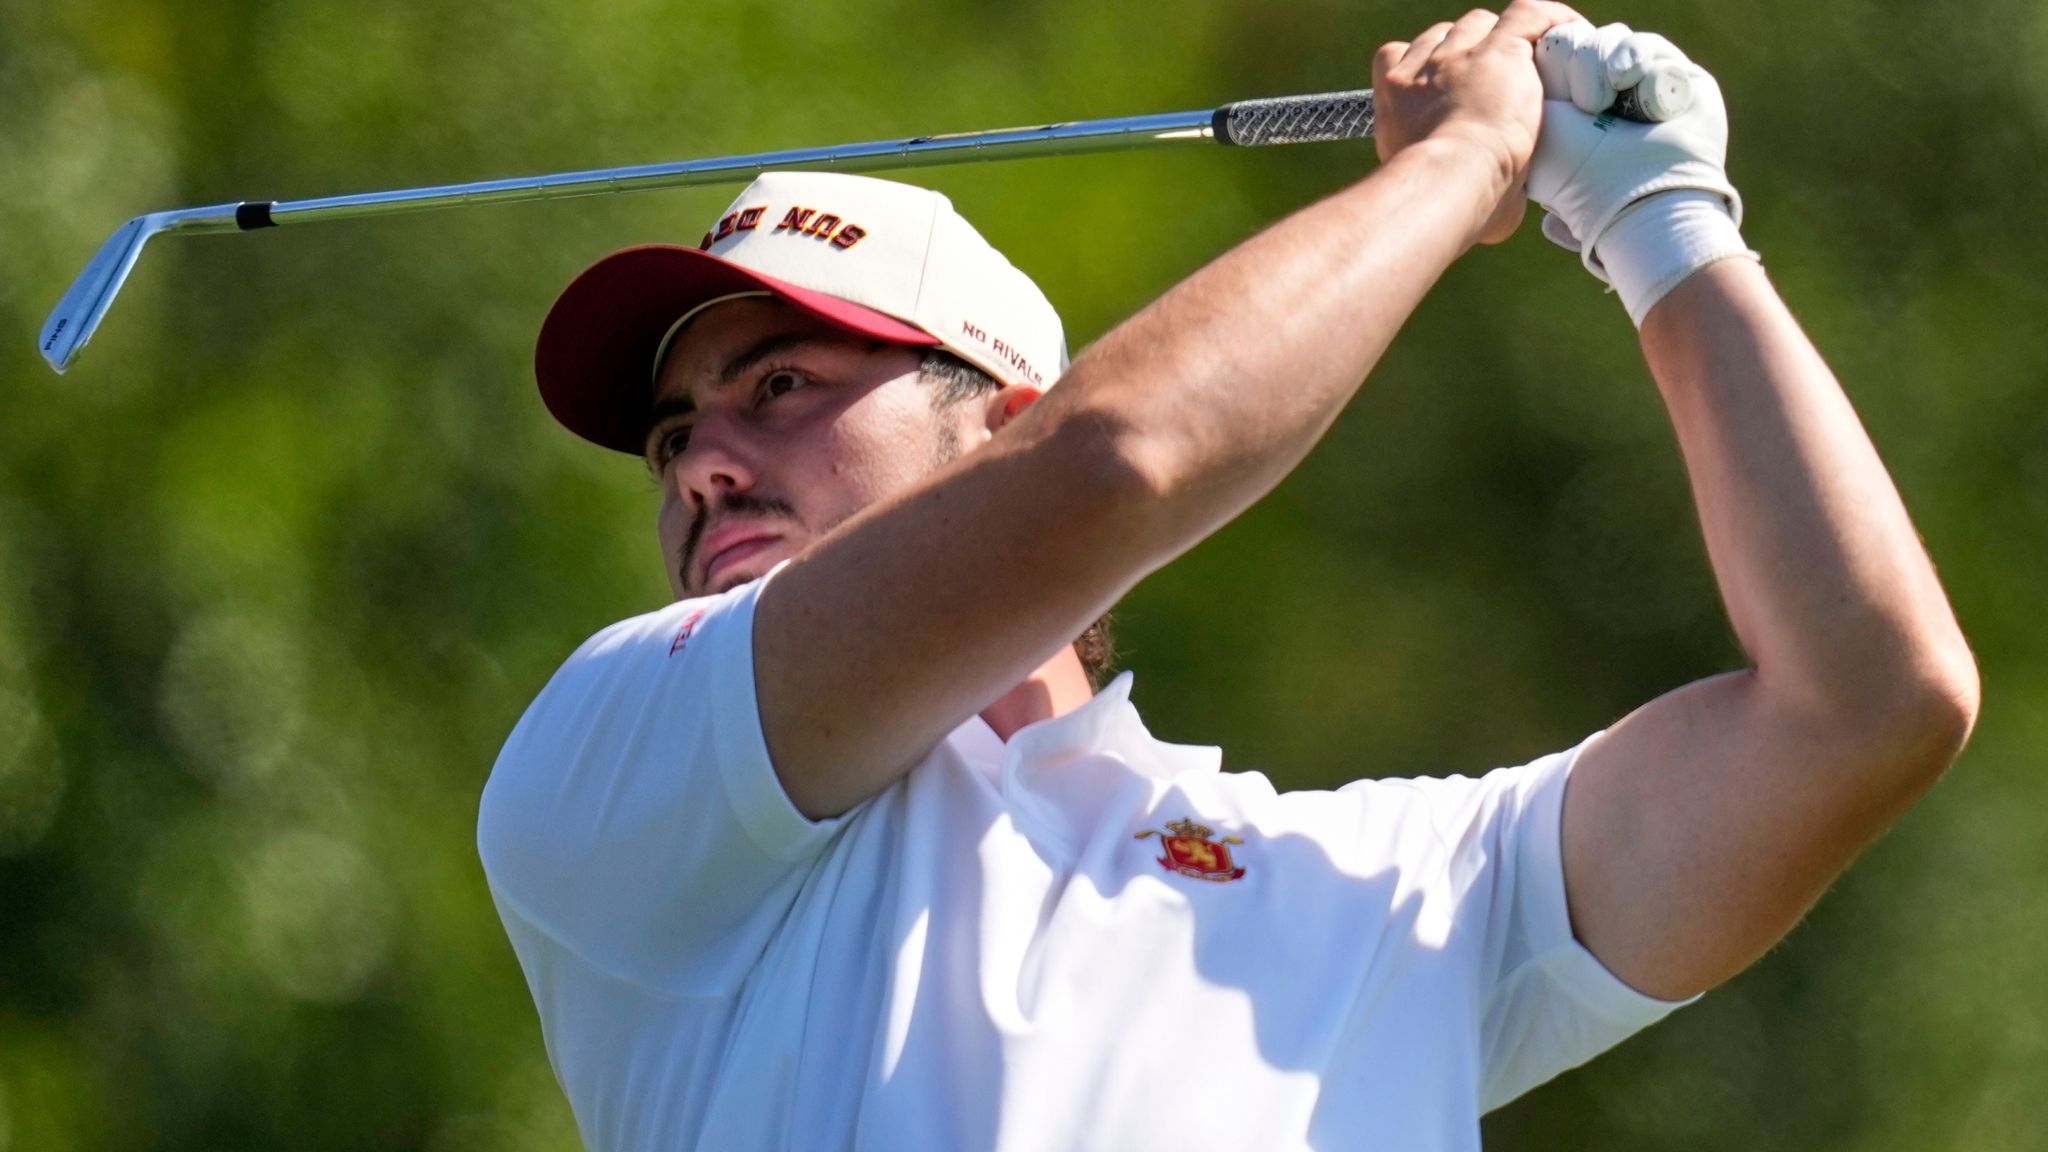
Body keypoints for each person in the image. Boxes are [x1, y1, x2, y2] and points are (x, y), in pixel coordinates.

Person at [477, 3, 1979, 1148]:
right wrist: (1465, 162)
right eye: (672, 436)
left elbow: (1866, 706)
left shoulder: (1387, 893)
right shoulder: (623, 756)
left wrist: (1660, 221)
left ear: (1000, 420)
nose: (703, 464)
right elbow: (1120, 464)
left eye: (782, 386)